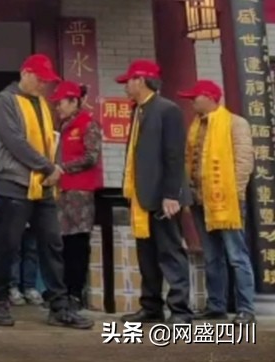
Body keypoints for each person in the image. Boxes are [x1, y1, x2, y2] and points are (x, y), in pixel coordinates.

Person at [0, 54, 92, 329]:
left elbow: (50, 141)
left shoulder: (42, 104)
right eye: (41, 79)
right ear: (26, 73)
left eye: (47, 80)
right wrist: (48, 167)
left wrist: (52, 169)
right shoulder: (6, 101)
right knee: (8, 244)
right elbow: (16, 142)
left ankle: (59, 305)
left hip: (42, 185)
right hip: (15, 183)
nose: (44, 85)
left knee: (52, 243)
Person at [117, 60, 193, 324]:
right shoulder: (140, 111)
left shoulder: (167, 110)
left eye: (128, 81)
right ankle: (151, 307)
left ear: (140, 80)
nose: (126, 86)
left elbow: (174, 155)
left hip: (163, 197)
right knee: (147, 255)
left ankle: (180, 309)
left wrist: (171, 194)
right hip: (143, 196)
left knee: (170, 252)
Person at [179, 79, 255, 324]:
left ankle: (246, 308)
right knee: (212, 256)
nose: (191, 102)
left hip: (227, 202)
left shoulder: (235, 123)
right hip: (201, 201)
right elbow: (189, 162)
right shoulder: (196, 125)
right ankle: (216, 305)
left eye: (195, 97)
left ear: (210, 97)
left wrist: (234, 194)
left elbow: (244, 161)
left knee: (236, 255)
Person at [48, 80, 102, 310]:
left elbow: (91, 157)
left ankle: (75, 293)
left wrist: (62, 168)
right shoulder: (63, 126)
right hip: (62, 193)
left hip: (80, 194)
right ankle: (62, 291)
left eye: (60, 103)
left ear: (73, 101)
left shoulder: (88, 124)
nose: (57, 107)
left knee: (77, 244)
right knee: (62, 244)